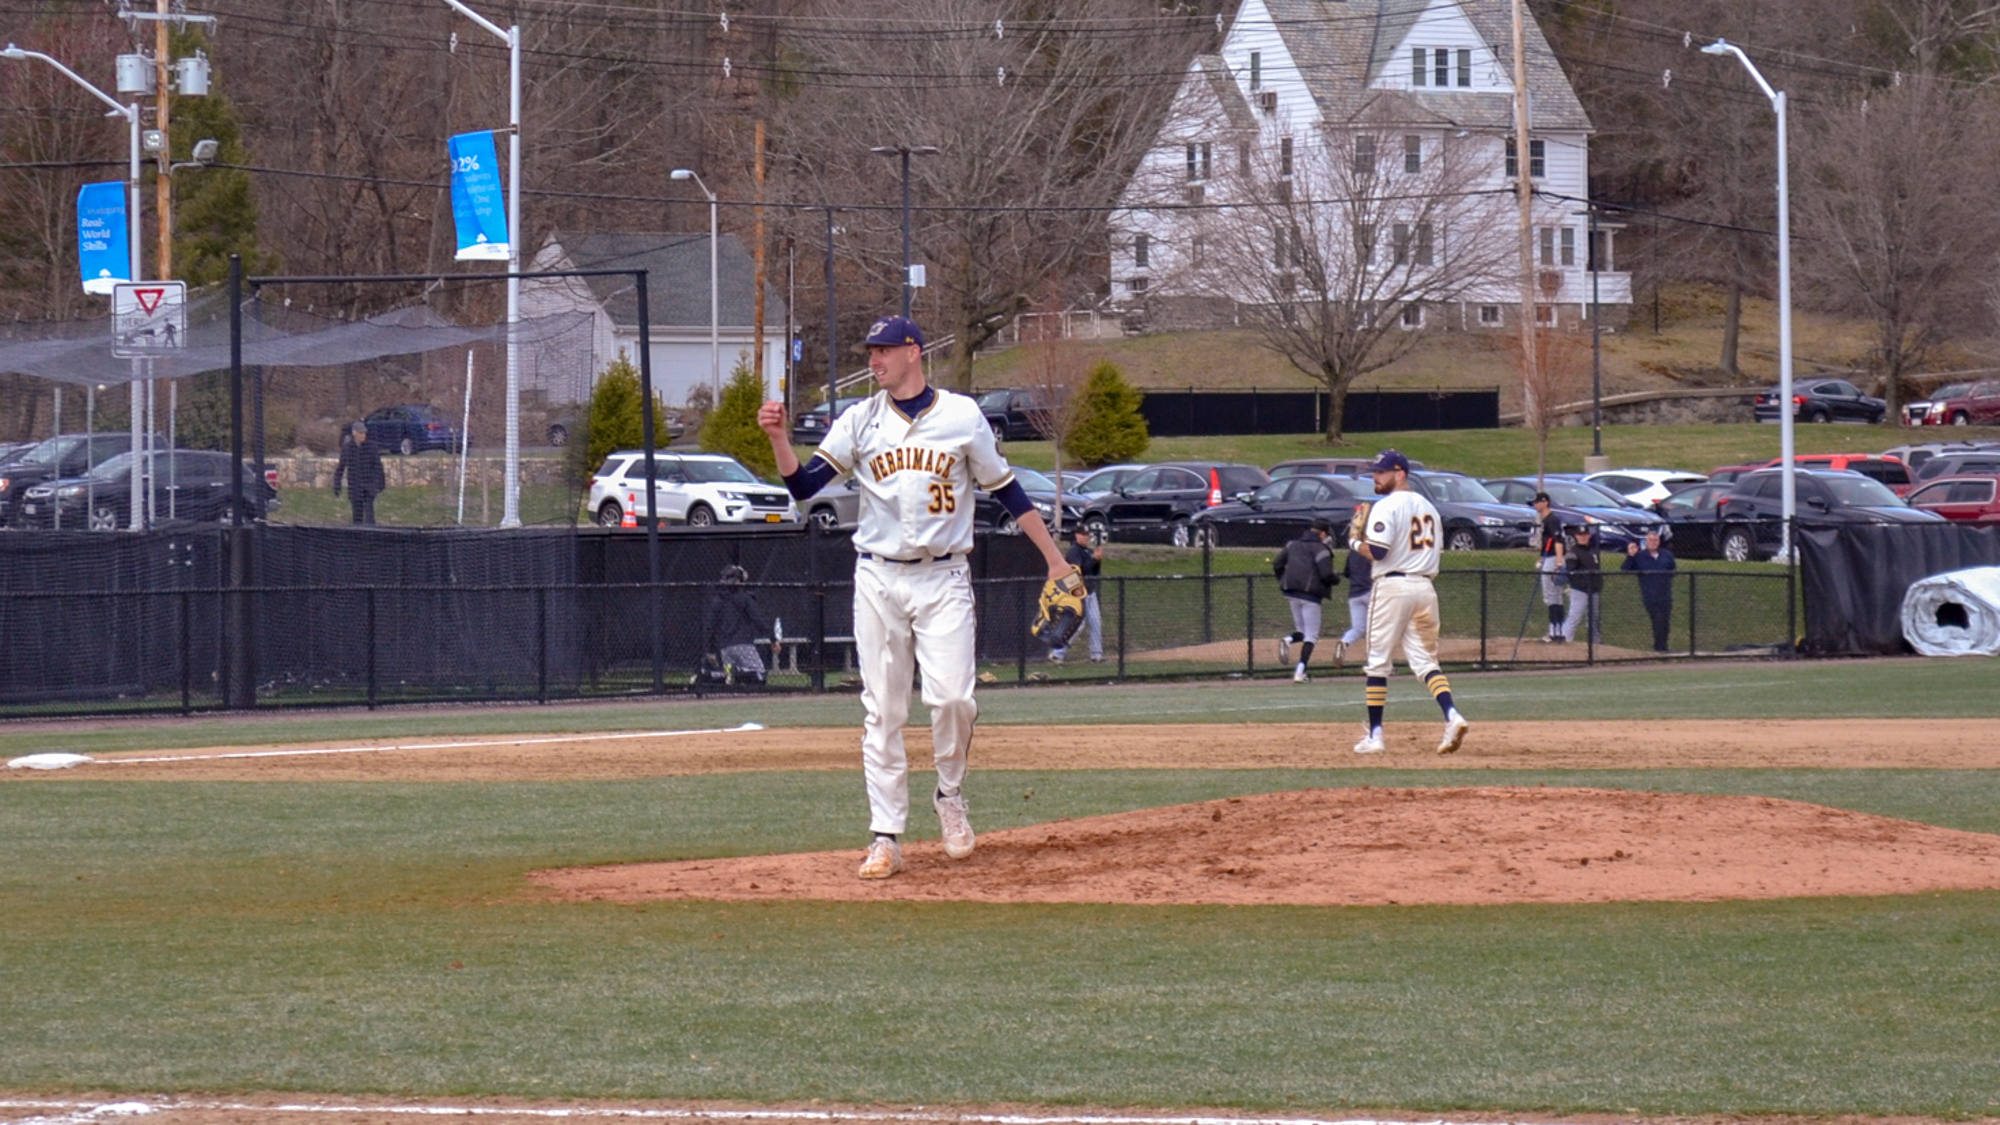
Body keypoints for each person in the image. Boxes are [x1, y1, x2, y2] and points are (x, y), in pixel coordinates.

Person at [757, 315, 1074, 880]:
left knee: (952, 699)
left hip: (945, 576)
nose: (873, 359)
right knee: (884, 710)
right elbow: (805, 488)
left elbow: (1007, 489)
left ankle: (949, 795)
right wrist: (780, 439)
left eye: (883, 350)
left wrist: (1054, 559)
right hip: (878, 577)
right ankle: (885, 836)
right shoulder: (859, 419)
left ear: (913, 352)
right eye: (870, 350)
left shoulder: (959, 415)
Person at [1351, 450, 1469, 756]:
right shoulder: (1429, 508)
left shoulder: (1386, 506)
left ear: (1399, 473)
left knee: (1378, 661)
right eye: (1375, 472)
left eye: (1381, 472)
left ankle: (1376, 735)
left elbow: (1377, 552)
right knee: (1426, 662)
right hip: (1425, 587)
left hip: (1392, 586)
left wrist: (1353, 542)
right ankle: (1452, 716)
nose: (1375, 477)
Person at [1273, 518, 1337, 682]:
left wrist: (1283, 580)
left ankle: (1288, 640)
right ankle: (1300, 671)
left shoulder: (1293, 544)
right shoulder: (1320, 548)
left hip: (1292, 593)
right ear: (1323, 533)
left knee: (1302, 632)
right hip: (1310, 596)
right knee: (1311, 636)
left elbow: (1277, 563)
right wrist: (1335, 580)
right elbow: (1326, 574)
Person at [703, 564, 769, 684]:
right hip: (744, 644)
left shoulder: (718, 600)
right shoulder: (745, 598)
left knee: (731, 678)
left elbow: (709, 626)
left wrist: (709, 649)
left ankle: (711, 675)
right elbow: (758, 619)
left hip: (725, 648)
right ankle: (738, 671)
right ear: (738, 581)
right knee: (760, 675)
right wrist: (773, 638)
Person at [1050, 524, 1103, 665]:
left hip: (1090, 592)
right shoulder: (1074, 551)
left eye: (1087, 534)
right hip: (1078, 593)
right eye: (1083, 534)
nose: (1086, 536)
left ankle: (1096, 655)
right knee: (1078, 625)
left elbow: (1094, 572)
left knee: (1096, 623)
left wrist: (1097, 560)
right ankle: (1057, 653)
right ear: (1076, 535)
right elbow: (1079, 570)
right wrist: (1094, 559)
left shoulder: (1088, 551)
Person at [1623, 528, 1678, 652]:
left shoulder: (1667, 555)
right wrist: (1630, 556)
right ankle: (1659, 648)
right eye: (1650, 540)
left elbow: (1673, 570)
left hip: (1665, 595)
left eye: (1655, 540)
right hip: (1650, 595)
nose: (1653, 542)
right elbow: (1625, 570)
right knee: (1657, 620)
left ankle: (1664, 646)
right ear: (1646, 541)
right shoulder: (1640, 556)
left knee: (1665, 622)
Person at [332, 421, 385, 526]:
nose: (363, 435)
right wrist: (337, 484)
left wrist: (381, 483)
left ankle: (371, 537)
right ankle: (357, 539)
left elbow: (378, 466)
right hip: (355, 487)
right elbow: (341, 467)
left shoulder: (372, 447)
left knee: (369, 515)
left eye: (364, 433)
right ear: (354, 433)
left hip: (369, 486)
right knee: (357, 517)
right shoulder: (348, 448)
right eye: (360, 433)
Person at [1334, 525, 1372, 667]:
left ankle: (1345, 642)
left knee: (1358, 628)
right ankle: (1373, 664)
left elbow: (1347, 573)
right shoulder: (1373, 551)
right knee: (1376, 630)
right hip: (1371, 591)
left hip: (1354, 593)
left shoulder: (1353, 552)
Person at [1532, 491, 1567, 642]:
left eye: (1537, 502)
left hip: (1553, 558)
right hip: (1550, 558)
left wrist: (1558, 563)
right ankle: (1558, 631)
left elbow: (1558, 540)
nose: (1535, 505)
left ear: (1545, 502)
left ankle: (1554, 632)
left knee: (1551, 595)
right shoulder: (1548, 520)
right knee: (1556, 596)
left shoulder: (1551, 520)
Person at [1562, 523, 1603, 644]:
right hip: (1580, 589)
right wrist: (1582, 582)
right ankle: (1566, 640)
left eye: (1585, 534)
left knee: (1594, 619)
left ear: (1589, 535)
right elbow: (1571, 572)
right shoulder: (1573, 552)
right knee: (1575, 616)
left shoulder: (1593, 551)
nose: (1583, 537)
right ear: (1576, 536)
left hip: (1594, 589)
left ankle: (1596, 643)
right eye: (1580, 535)